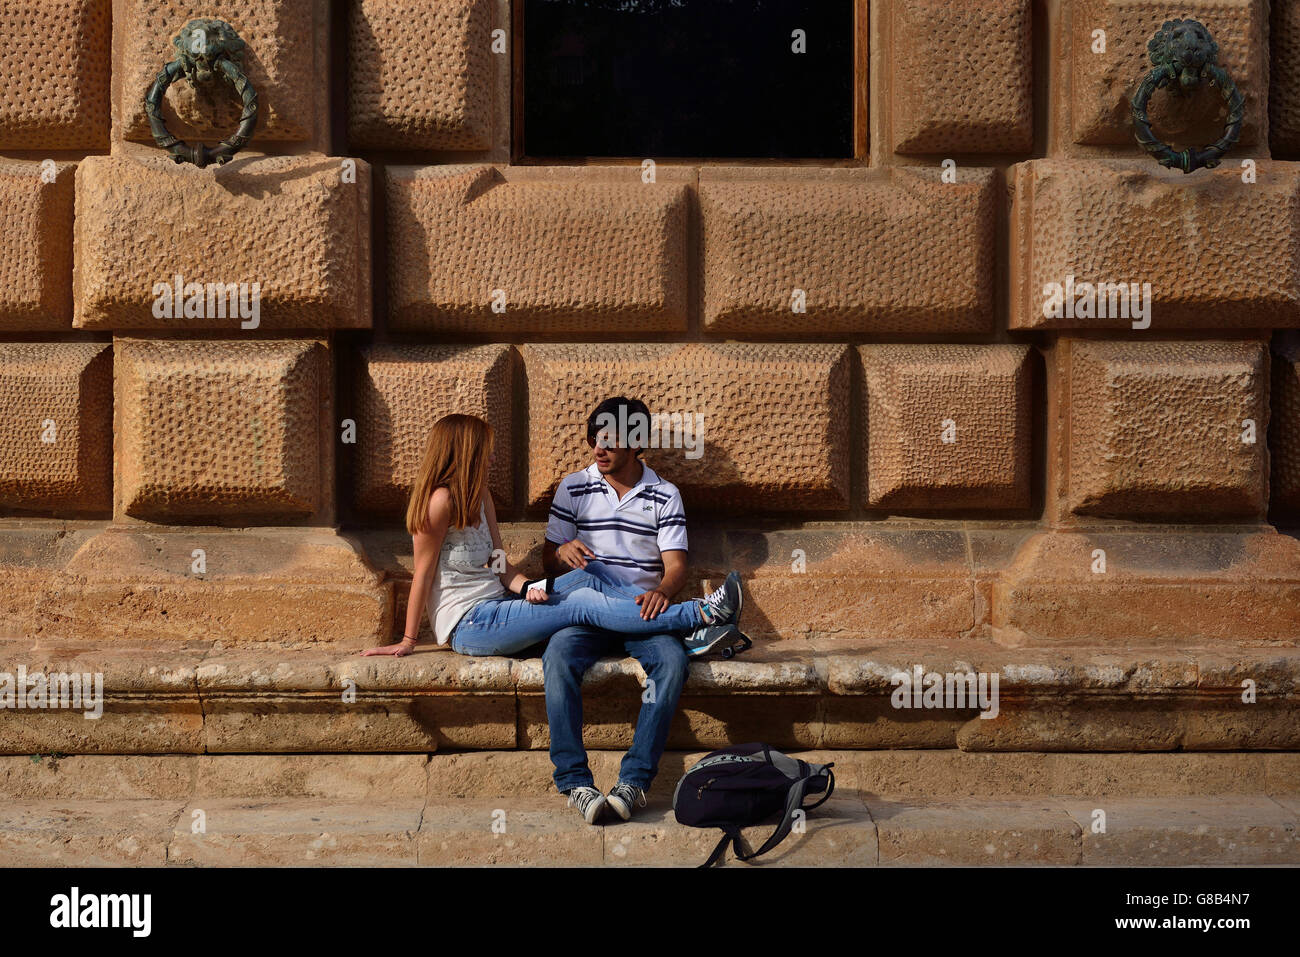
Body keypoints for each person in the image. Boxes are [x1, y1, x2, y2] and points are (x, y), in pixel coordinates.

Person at [358, 413, 741, 664]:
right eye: (486, 451)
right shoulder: (439, 503)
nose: (492, 458)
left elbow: (499, 563)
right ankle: (699, 614)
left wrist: (527, 589)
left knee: (590, 575)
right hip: (470, 625)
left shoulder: (481, 496)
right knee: (581, 604)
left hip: (501, 605)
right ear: (466, 452)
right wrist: (408, 638)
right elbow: (422, 574)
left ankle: (685, 628)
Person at [541, 397, 740, 826]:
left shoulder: (665, 493)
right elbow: (548, 561)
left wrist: (665, 592)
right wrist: (562, 552)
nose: (599, 448)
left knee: (670, 662)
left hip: (643, 612)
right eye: (595, 437)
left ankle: (633, 782)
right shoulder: (572, 487)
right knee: (557, 658)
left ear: (637, 444)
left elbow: (675, 566)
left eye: (610, 439)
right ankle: (576, 782)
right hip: (587, 613)